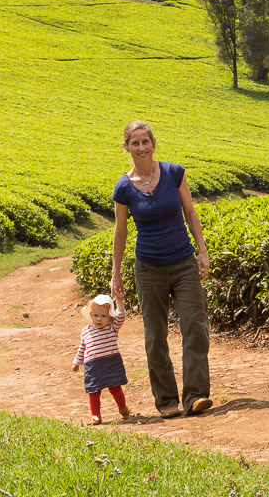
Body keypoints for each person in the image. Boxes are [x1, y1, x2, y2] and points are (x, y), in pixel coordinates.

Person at [109, 120, 212, 418]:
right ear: (126, 147)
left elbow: (190, 213)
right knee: (155, 336)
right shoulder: (124, 187)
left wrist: (202, 251)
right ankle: (166, 400)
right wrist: (116, 273)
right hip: (149, 268)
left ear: (153, 143)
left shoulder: (173, 173)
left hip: (183, 262)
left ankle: (195, 395)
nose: (141, 147)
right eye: (135, 143)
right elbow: (120, 232)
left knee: (195, 326)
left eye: (145, 141)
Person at [72, 293, 130, 425]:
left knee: (115, 389)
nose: (99, 319)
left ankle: (123, 409)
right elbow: (82, 348)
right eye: (96, 315)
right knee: (94, 392)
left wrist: (119, 302)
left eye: (104, 316)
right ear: (91, 315)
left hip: (111, 363)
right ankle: (95, 415)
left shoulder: (112, 327)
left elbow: (121, 316)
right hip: (93, 367)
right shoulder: (86, 331)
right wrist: (77, 362)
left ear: (110, 317)